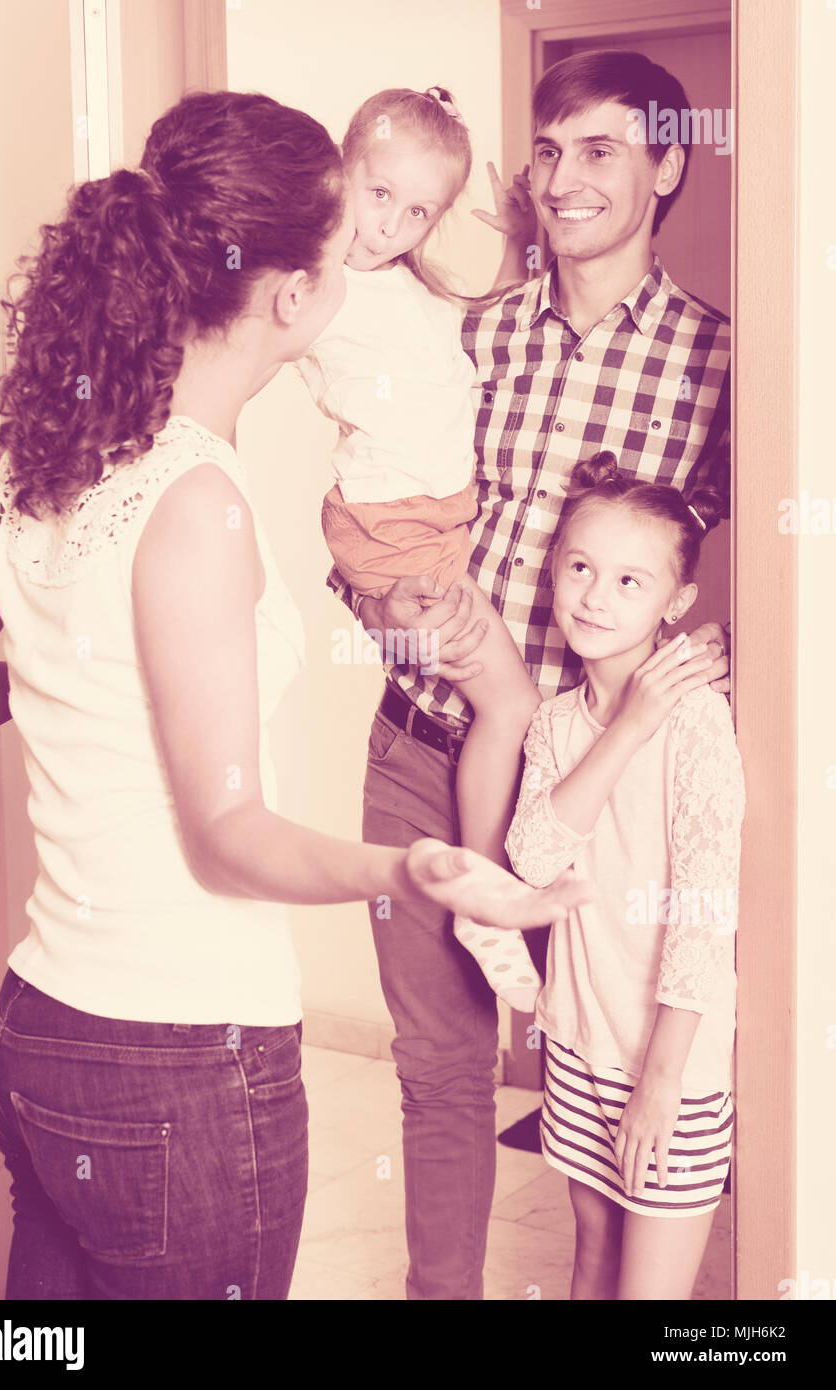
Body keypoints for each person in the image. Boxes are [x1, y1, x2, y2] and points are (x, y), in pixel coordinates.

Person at [0, 90, 588, 1301]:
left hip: (37, 1029)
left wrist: (90, 677)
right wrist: (408, 869)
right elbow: (229, 839)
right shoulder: (199, 499)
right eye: (343, 246)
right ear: (294, 298)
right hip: (177, 1060)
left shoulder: (31, 452)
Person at [327, 49, 733, 1300]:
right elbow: (377, 501)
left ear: (668, 165)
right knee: (444, 1071)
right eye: (548, 151)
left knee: (594, 1072)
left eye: (603, 149)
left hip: (597, 786)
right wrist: (386, 607)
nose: (565, 180)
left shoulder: (727, 366)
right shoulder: (467, 333)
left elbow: (721, 581)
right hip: (423, 745)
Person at [295, 85, 544, 1009]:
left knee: (497, 703)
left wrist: (523, 240)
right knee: (508, 700)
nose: (391, 225)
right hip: (394, 525)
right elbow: (234, 322)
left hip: (437, 518)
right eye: (378, 194)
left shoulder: (408, 284)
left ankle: (480, 886)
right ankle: (483, 894)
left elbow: (489, 324)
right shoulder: (315, 277)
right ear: (340, 171)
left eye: (418, 212)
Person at [499, 452, 744, 1300]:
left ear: (675, 605)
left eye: (630, 582)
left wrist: (661, 1084)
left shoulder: (698, 722)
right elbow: (530, 860)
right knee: (590, 1263)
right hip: (578, 1044)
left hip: (669, 1065)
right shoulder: (555, 725)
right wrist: (624, 726)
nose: (595, 597)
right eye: (579, 567)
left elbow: (704, 914)